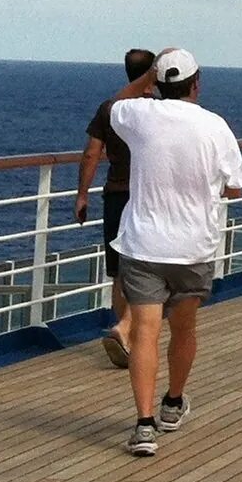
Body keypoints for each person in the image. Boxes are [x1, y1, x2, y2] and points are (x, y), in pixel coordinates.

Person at [104, 47, 242, 457]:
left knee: (145, 332)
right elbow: (234, 186)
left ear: (157, 83)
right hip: (193, 247)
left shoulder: (139, 116)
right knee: (184, 331)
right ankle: (172, 404)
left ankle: (144, 426)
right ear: (196, 83)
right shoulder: (215, 127)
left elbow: (117, 103)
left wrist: (146, 76)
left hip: (144, 245)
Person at [72, 47, 157, 368]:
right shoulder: (159, 109)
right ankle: (129, 334)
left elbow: (91, 153)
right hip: (147, 197)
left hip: (115, 195)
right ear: (154, 73)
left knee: (119, 272)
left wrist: (82, 195)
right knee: (148, 269)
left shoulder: (110, 109)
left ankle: (124, 334)